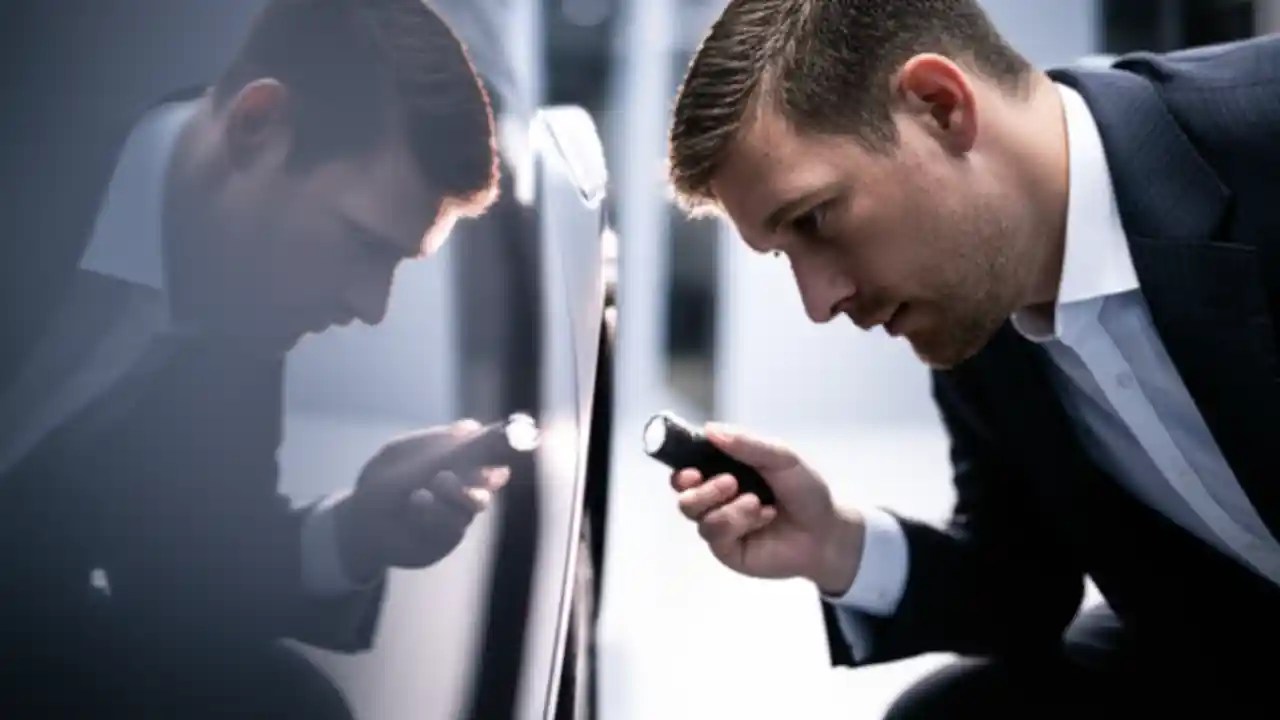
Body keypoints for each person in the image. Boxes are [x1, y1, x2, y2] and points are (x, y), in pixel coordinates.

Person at [663, 0, 1280, 714]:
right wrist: (832, 541)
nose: (818, 301)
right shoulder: (981, 306)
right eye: (784, 256)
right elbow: (1024, 585)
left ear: (940, 106)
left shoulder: (1261, 131)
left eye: (815, 219)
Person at [0, 0, 509, 715]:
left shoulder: (235, 294)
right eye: (363, 243)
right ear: (255, 125)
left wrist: (361, 526)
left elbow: (193, 564)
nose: (370, 306)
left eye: (396, 264)